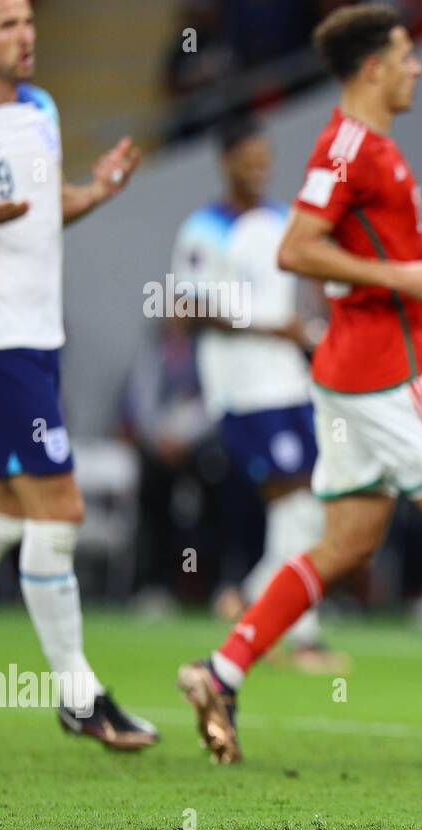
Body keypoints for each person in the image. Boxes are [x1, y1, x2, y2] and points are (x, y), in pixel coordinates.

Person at [176, 3, 422, 764]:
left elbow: (349, 244)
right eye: (408, 55)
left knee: (346, 544)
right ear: (373, 67)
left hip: (353, 371)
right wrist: (401, 272)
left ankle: (220, 670)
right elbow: (298, 249)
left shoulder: (366, 146)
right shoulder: (349, 146)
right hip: (392, 370)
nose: (418, 66)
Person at [0, 0, 156, 749]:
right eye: (6, 26)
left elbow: (41, 212)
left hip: (36, 338)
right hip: (1, 346)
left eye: (28, 21)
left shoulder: (43, 110)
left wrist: (95, 190)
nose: (26, 38)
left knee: (9, 513)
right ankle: (78, 695)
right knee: (59, 511)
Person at [170, 114, 345, 674]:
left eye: (265, 157)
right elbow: (185, 307)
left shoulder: (280, 221)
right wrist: (272, 328)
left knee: (311, 500)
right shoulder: (204, 228)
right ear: (226, 161)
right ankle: (303, 636)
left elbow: (306, 288)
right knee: (297, 499)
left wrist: (313, 327)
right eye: (249, 157)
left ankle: (249, 599)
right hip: (242, 389)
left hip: (290, 380)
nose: (260, 167)